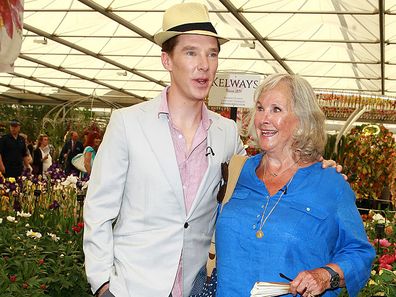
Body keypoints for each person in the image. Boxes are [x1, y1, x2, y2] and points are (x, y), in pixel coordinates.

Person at [83, 4, 341, 297]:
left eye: (212, 53)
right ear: (167, 59)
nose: (204, 64)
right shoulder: (128, 124)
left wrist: (314, 166)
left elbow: (265, 170)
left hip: (196, 286)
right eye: (191, 52)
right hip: (132, 285)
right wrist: (103, 284)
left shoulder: (226, 133)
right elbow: (98, 210)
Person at [215, 74, 375, 297]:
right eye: (260, 108)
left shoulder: (331, 185)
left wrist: (326, 275)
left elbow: (359, 253)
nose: (263, 119)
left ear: (302, 119)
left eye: (276, 109)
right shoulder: (237, 172)